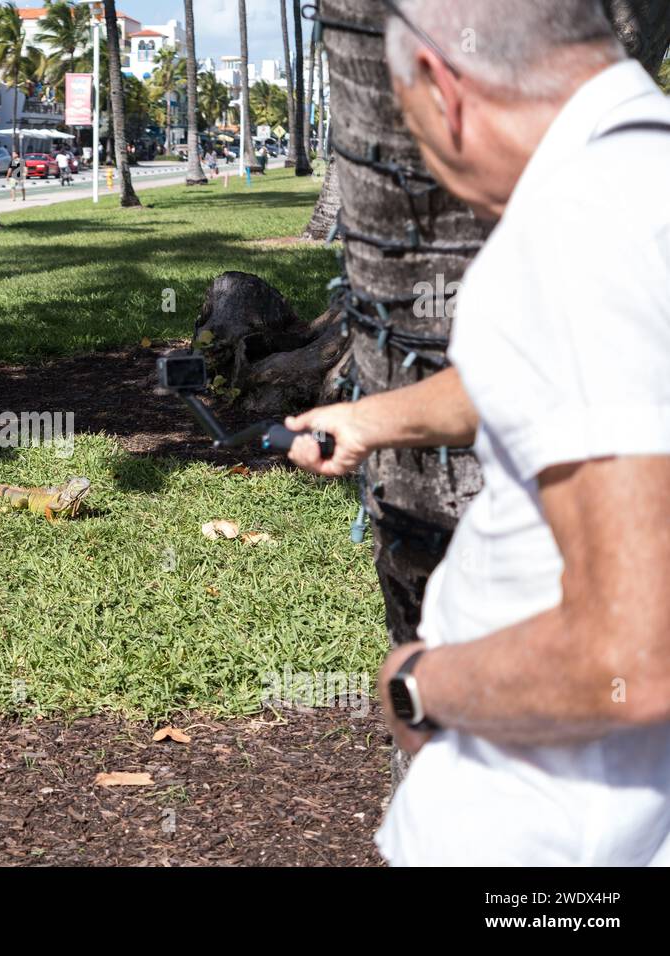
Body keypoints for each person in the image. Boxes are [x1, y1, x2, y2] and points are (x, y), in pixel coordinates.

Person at [284, 0, 670, 865]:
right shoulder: (647, 184)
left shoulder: (575, 230)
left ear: (440, 84)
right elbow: (582, 376)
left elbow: (639, 655)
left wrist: (419, 685)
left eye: (413, 132)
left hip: (551, 843)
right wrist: (370, 420)